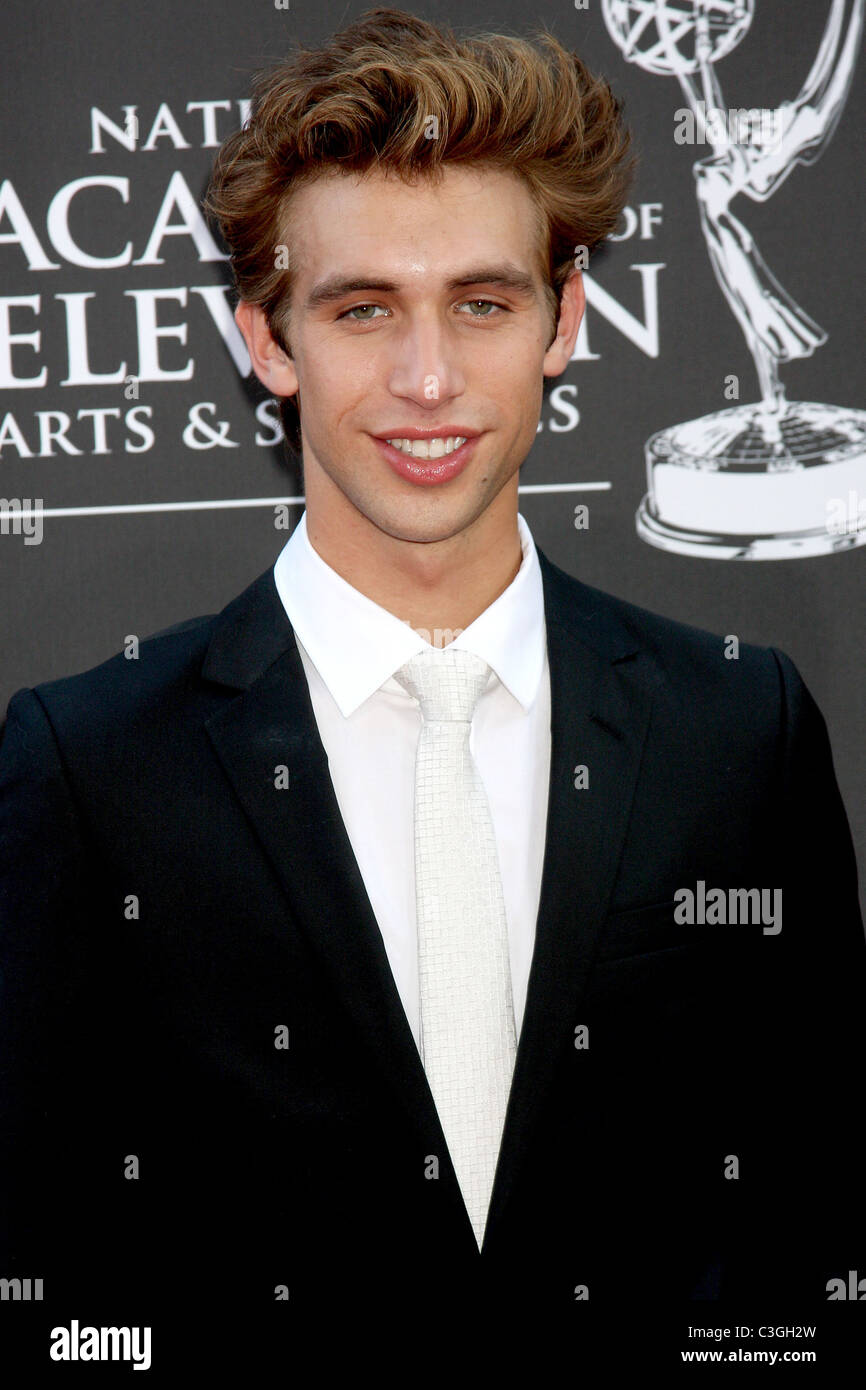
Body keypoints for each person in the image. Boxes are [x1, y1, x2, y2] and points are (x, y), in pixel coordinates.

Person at [1, 5, 864, 1363]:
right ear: (267, 343)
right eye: (360, 309)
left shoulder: (734, 727)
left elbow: (810, 1220)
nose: (425, 379)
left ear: (563, 320)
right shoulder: (85, 761)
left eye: (480, 302)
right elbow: (49, 1280)